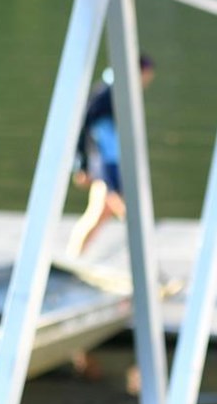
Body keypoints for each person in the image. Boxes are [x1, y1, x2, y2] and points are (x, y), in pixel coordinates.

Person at [65, 54, 154, 258]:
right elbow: (83, 127)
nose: (146, 82)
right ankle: (74, 256)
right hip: (105, 163)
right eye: (146, 76)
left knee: (100, 213)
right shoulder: (106, 94)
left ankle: (75, 255)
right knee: (115, 210)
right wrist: (82, 165)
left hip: (111, 161)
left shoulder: (121, 93)